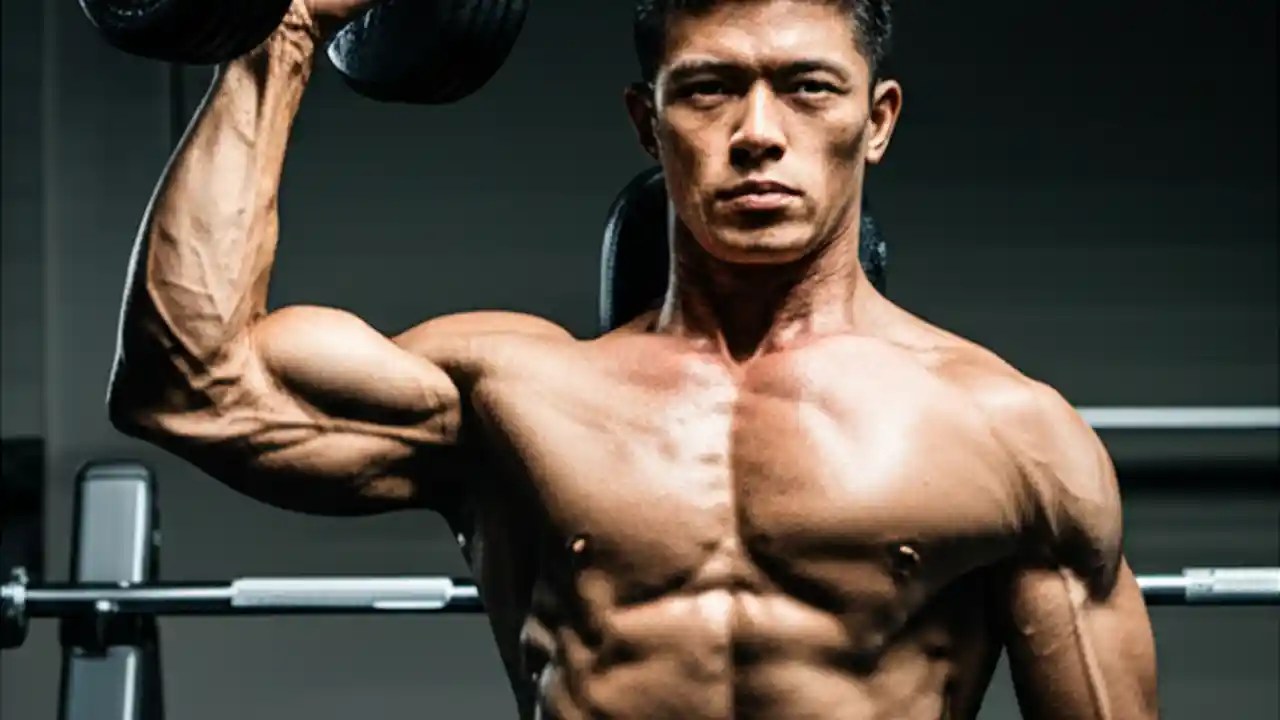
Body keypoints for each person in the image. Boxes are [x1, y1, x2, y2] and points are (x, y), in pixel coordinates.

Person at [106, 0, 1160, 717]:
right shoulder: (515, 401)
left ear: (875, 120)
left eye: (806, 89)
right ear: (644, 123)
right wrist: (286, 34)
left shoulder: (1008, 434)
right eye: (705, 90)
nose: (757, 133)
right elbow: (189, 386)